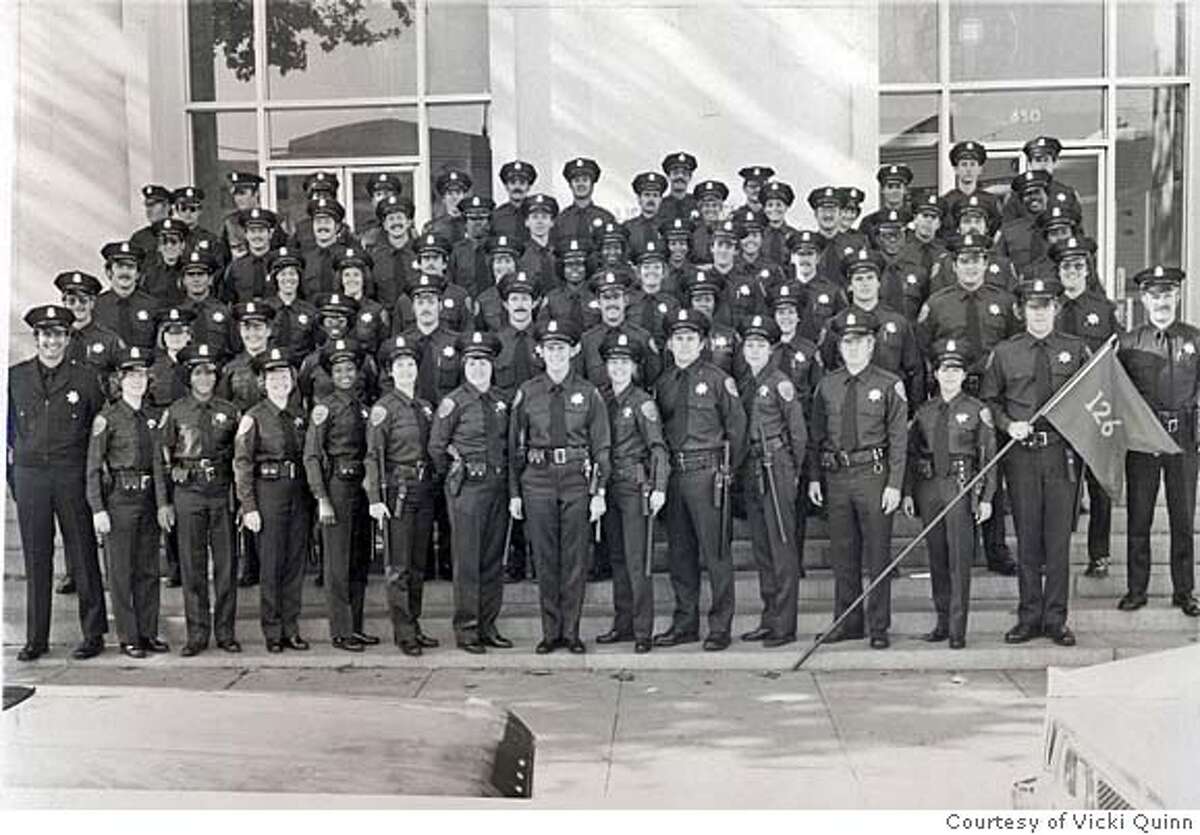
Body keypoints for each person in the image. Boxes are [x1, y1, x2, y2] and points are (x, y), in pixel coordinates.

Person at [980, 277, 1089, 646]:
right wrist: (1008, 425)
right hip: (1022, 456)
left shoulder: (1075, 351)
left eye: (1046, 306)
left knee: (1058, 541)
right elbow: (989, 402)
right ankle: (1029, 617)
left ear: (1056, 309)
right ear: (1022, 310)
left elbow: (1093, 399)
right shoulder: (1006, 353)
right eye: (1033, 306)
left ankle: (1056, 619)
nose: (1039, 312)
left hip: (1062, 455)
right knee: (1027, 539)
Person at [9, 304, 109, 661]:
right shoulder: (15, 377)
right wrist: (15, 478)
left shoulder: (85, 378)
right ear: (36, 339)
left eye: (58, 334)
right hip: (30, 475)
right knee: (37, 557)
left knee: (82, 552)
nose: (52, 341)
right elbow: (8, 432)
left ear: (68, 338)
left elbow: (98, 427)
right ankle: (36, 638)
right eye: (45, 334)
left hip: (71, 474)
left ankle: (93, 633)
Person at [509, 318, 611, 654]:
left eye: (561, 348)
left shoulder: (588, 393)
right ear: (540, 351)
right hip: (537, 480)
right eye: (550, 348)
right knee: (545, 557)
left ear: (573, 351)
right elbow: (514, 447)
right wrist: (514, 492)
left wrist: (599, 491)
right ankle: (550, 631)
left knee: (575, 558)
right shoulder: (527, 392)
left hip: (575, 480)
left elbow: (601, 448)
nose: (556, 354)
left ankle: (572, 631)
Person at [807, 310, 907, 649]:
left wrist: (895, 484)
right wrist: (815, 478)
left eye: (859, 341)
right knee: (843, 554)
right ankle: (847, 622)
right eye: (846, 342)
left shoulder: (889, 384)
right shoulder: (828, 385)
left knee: (877, 554)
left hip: (874, 476)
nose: (852, 348)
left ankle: (879, 626)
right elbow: (816, 435)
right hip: (837, 476)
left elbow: (898, 440)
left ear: (871, 344)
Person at [653, 309, 747, 650]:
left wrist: (726, 471)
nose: (684, 344)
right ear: (669, 343)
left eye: (690, 338)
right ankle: (685, 623)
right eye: (678, 338)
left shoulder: (720, 379)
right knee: (680, 554)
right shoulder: (662, 383)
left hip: (709, 475)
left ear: (702, 342)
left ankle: (720, 626)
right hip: (675, 477)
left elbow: (737, 429)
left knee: (716, 554)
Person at [1116, 265, 1200, 618]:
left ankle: (1185, 591)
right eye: (1154, 294)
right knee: (1139, 517)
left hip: (1183, 436)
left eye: (1167, 294)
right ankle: (1137, 589)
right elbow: (1118, 391)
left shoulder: (1195, 340)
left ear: (1178, 296)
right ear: (1144, 299)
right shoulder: (1129, 343)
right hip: (1143, 438)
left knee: (1182, 518)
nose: (1161, 300)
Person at [903, 339, 997, 649]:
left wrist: (985, 498)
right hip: (929, 486)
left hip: (960, 484)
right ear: (937, 374)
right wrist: (907, 492)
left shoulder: (977, 411)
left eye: (956, 370)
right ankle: (942, 622)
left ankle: (958, 629)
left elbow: (988, 457)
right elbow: (910, 453)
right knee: (937, 557)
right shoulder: (925, 412)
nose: (950, 376)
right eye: (945, 370)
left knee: (959, 559)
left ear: (964, 375)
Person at [428, 331, 511, 654]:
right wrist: (453, 474)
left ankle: (489, 626)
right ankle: (467, 630)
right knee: (468, 561)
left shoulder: (502, 400)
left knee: (492, 561)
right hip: (467, 490)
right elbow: (436, 447)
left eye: (484, 362)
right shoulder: (454, 403)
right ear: (464, 365)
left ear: (492, 365)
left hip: (497, 487)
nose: (479, 368)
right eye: (472, 362)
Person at [157, 343, 242, 656]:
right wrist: (164, 502)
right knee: (192, 566)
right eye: (198, 372)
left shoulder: (230, 411)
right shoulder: (176, 412)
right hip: (188, 493)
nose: (205, 377)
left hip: (221, 493)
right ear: (189, 377)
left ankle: (225, 632)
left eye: (209, 371)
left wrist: (242, 500)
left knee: (226, 565)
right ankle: (197, 634)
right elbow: (162, 459)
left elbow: (240, 457)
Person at [86, 346, 170, 659]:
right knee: (121, 572)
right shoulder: (107, 418)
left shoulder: (153, 418)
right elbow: (93, 466)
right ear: (120, 380)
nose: (136, 380)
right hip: (120, 499)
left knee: (148, 569)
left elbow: (159, 466)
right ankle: (128, 636)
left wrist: (163, 504)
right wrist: (98, 508)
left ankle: (148, 632)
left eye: (141, 374)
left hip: (148, 499)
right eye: (130, 375)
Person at [233, 347, 312, 652]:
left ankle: (291, 627)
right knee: (271, 564)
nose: (279, 381)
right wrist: (248, 506)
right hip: (268, 492)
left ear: (292, 380)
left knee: (294, 563)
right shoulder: (253, 418)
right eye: (272, 376)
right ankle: (272, 630)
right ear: (263, 382)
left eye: (284, 375)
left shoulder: (300, 417)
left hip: (297, 492)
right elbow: (242, 463)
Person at [365, 335, 440, 655]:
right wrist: (375, 499)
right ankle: (403, 632)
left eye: (411, 364)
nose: (407, 370)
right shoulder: (384, 409)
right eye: (400, 365)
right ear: (391, 371)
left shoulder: (425, 407)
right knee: (399, 566)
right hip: (397, 491)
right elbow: (372, 456)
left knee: (418, 564)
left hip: (423, 489)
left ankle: (415, 624)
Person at [595, 330, 668, 654]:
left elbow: (658, 449)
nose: (619, 368)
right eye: (614, 362)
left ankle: (642, 630)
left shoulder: (643, 402)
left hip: (635, 487)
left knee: (638, 561)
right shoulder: (601, 399)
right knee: (618, 559)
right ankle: (622, 625)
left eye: (625, 362)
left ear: (635, 367)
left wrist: (660, 487)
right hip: (608, 487)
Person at [304, 338, 379, 652]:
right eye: (339, 369)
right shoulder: (325, 409)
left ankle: (356, 626)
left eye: (351, 368)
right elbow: (311, 456)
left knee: (359, 561)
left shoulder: (365, 409)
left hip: (361, 489)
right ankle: (340, 631)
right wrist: (321, 498)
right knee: (337, 564)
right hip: (336, 487)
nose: (346, 374)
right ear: (330, 375)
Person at [737, 314, 807, 647]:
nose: (753, 349)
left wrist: (790, 472)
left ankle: (785, 625)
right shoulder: (744, 383)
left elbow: (798, 433)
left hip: (776, 464)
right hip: (752, 467)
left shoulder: (780, 382)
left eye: (760, 344)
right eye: (749, 344)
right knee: (763, 551)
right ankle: (769, 618)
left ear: (770, 349)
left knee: (782, 549)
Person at [1052, 236, 1118, 578]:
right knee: (1063, 487)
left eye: (1078, 266)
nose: (1072, 273)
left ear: (1087, 270)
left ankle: (1099, 554)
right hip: (1060, 412)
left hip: (1094, 408)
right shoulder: (1051, 309)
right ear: (1059, 272)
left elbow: (1116, 361)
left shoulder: (1103, 309)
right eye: (1066, 267)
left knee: (1098, 484)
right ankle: (1057, 553)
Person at [95, 240, 160, 349]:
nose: (125, 272)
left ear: (138, 274)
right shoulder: (96, 306)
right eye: (120, 267)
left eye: (130, 267)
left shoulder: (152, 306)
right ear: (109, 272)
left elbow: (160, 347)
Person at [555, 157, 616, 244]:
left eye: (585, 180)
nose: (581, 184)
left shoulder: (606, 218)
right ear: (570, 185)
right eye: (576, 181)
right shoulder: (561, 220)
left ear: (592, 184)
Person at [491, 160, 537, 244]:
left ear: (529, 187)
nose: (517, 187)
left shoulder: (538, 214)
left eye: (522, 183)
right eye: (512, 183)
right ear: (506, 186)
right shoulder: (496, 216)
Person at [659, 152, 699, 224]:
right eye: (675, 173)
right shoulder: (659, 206)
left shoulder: (698, 205)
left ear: (690, 177)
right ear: (668, 176)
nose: (680, 177)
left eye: (684, 173)